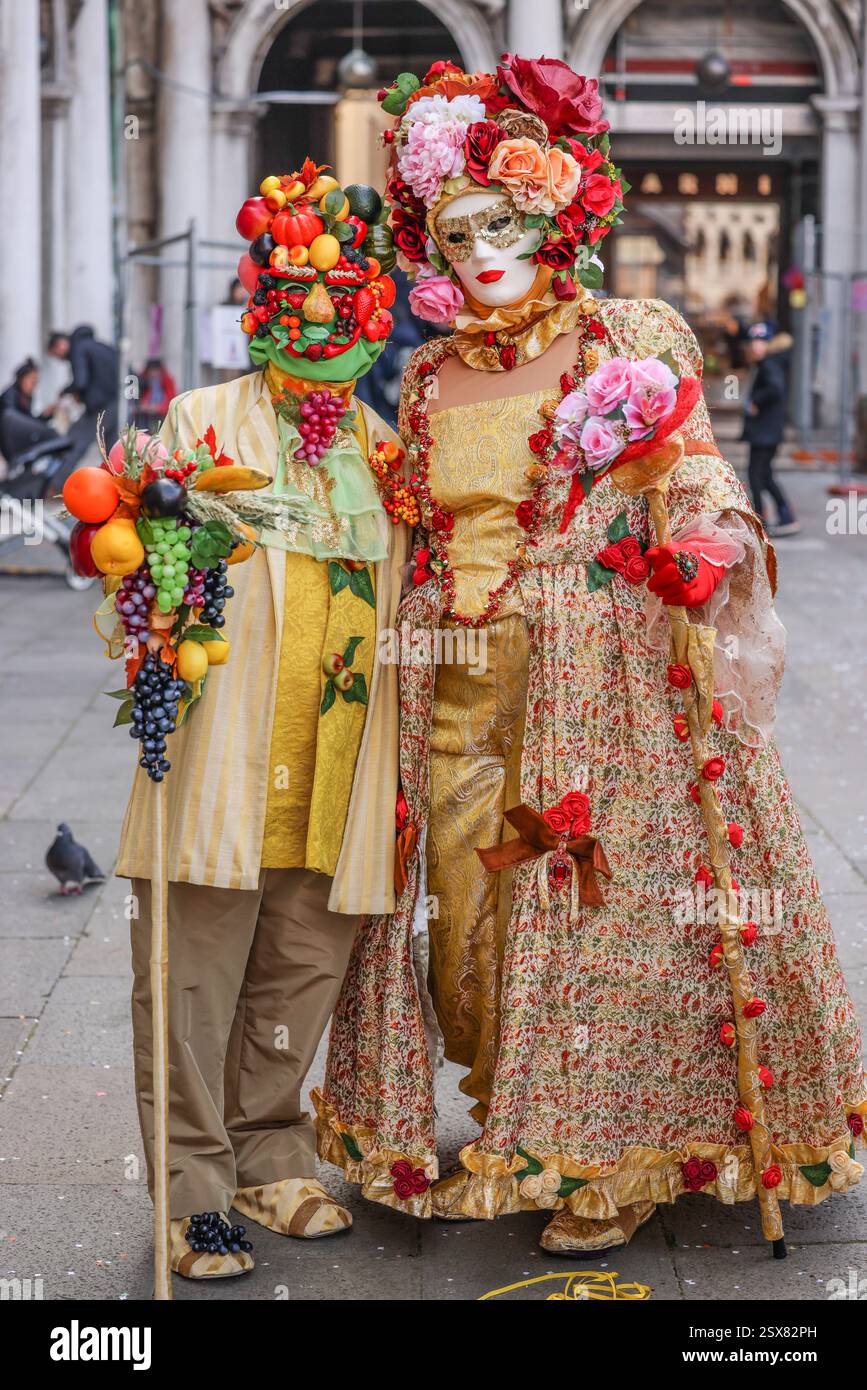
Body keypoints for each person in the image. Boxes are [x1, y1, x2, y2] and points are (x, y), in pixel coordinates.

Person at [316, 57, 865, 1255]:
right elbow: (405, 518)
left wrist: (711, 548)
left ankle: (608, 1155)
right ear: (434, 248)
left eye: (505, 220)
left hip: (599, 682)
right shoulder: (423, 371)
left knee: (594, 909)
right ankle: (522, 1114)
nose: (484, 249)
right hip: (451, 683)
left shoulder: (629, 330)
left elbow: (698, 470)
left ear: (555, 212)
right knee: (465, 919)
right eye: (458, 233)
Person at [113, 160, 409, 1280]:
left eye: (344, 302)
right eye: (298, 300)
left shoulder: (384, 453)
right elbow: (139, 564)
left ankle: (270, 1152)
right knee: (192, 977)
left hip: (337, 765)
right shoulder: (200, 419)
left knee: (299, 968)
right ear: (262, 304)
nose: (323, 320)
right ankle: (193, 1193)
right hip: (221, 762)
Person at [743, 320, 799, 536]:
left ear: (770, 342)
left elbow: (775, 388)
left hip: (764, 432)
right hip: (766, 431)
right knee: (763, 474)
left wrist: (756, 401)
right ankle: (785, 516)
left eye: (761, 341)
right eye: (753, 341)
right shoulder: (770, 361)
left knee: (756, 475)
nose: (756, 346)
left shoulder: (769, 363)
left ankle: (761, 521)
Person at [48, 325, 119, 466]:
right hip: (116, 401)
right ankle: (117, 482)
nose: (60, 358)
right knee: (111, 448)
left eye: (56, 354)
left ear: (60, 345)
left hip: (101, 405)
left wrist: (66, 391)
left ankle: (53, 484)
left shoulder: (78, 349)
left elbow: (81, 382)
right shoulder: (97, 345)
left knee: (74, 441)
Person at [0, 358, 57, 461]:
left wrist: (45, 416)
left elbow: (29, 421)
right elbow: (13, 422)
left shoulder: (27, 397)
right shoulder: (9, 396)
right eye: (32, 382)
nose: (34, 386)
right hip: (9, 444)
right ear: (22, 379)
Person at [134, 358, 177, 433]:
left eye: (155, 370)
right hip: (146, 416)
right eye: (151, 371)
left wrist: (157, 408)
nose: (153, 373)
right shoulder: (143, 381)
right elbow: (138, 401)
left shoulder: (167, 381)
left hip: (162, 414)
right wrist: (144, 407)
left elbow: (172, 401)